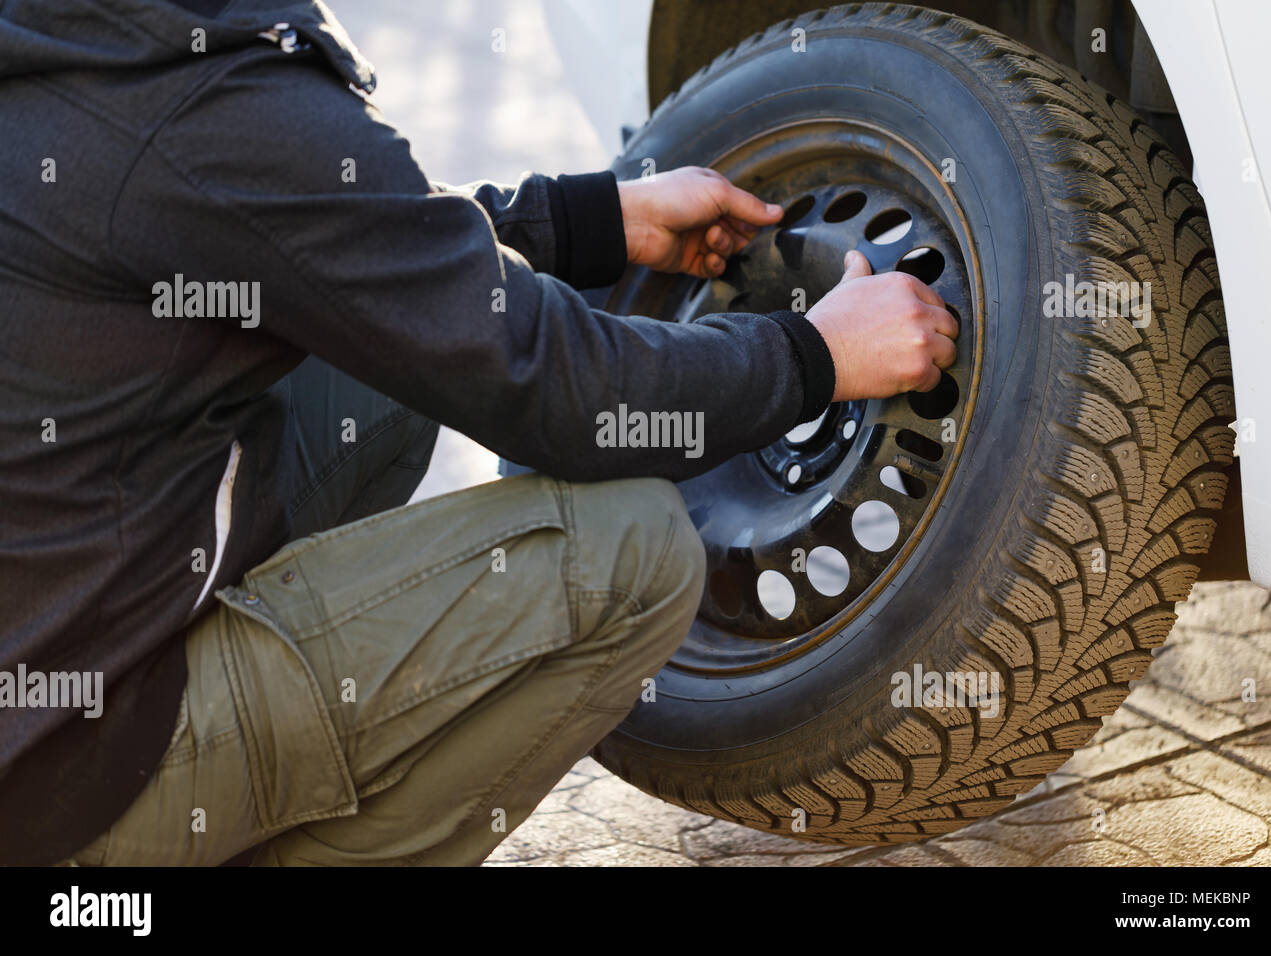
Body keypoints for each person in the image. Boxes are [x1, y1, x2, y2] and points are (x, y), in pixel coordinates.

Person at [0, 0, 958, 866]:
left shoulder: (85, 37)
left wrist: (579, 219)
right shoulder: (213, 89)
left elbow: (313, 231)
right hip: (73, 777)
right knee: (632, 556)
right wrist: (813, 358)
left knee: (388, 369)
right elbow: (570, 398)